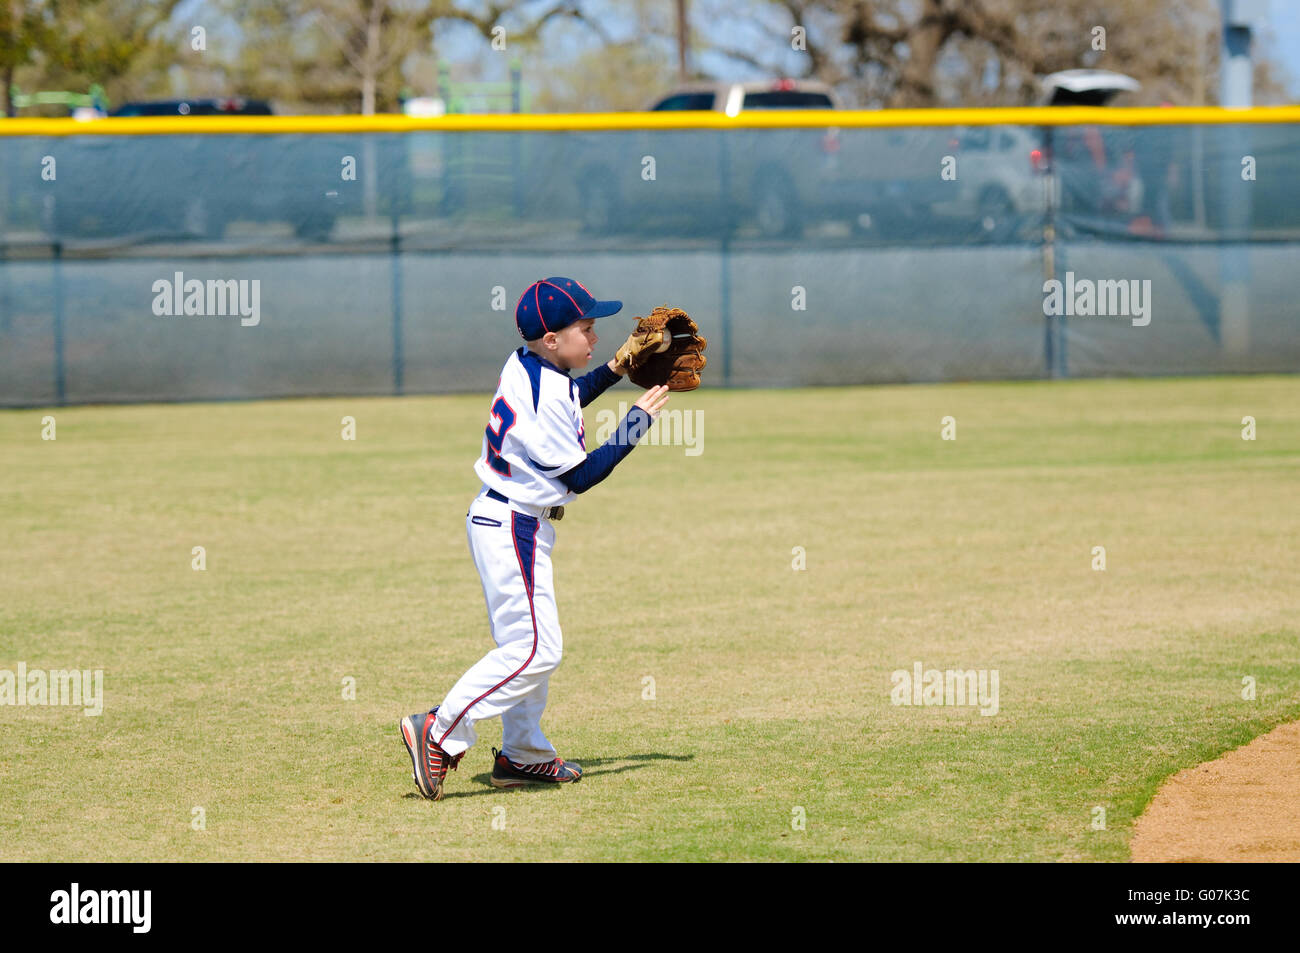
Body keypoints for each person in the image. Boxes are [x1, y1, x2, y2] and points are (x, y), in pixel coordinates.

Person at [400, 276, 671, 800]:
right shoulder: (545, 389)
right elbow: (579, 477)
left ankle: (522, 754)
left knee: (526, 644)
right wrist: (636, 424)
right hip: (512, 525)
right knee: (536, 651)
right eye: (586, 328)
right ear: (552, 339)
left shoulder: (528, 364)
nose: (594, 336)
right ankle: (438, 729)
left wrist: (615, 369)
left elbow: (571, 393)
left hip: (512, 520)